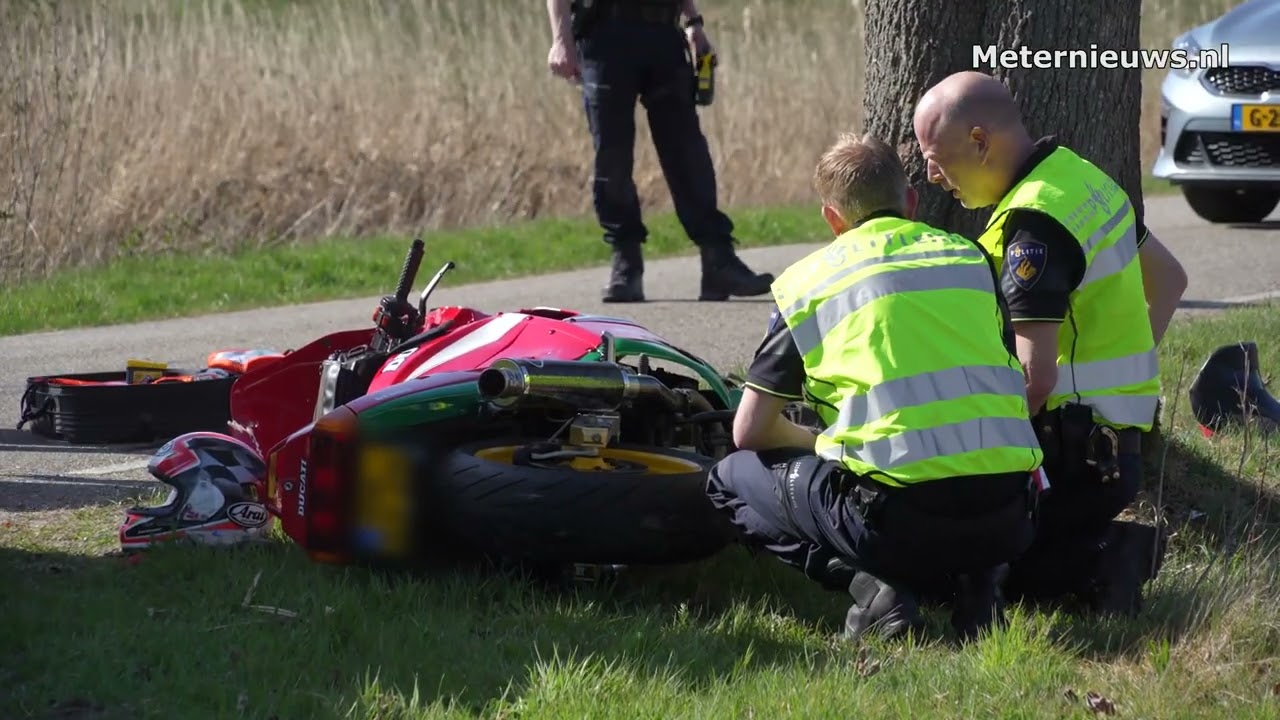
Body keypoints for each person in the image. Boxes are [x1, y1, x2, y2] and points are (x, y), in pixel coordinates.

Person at [703, 131, 1047, 643]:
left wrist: (824, 442)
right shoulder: (969, 260)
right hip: (1011, 518)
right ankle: (979, 591)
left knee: (731, 476)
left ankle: (874, 590)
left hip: (897, 524)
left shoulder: (811, 283)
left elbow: (749, 430)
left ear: (831, 219)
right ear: (911, 201)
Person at [912, 71, 1188, 616]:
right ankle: (1096, 551)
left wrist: (965, 446)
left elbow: (1034, 382)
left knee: (943, 574)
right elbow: (1170, 279)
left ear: (979, 141)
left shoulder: (1033, 228)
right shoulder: (1081, 180)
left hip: (1067, 456)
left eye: (936, 156)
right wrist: (1117, 388)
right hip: (1109, 448)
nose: (931, 174)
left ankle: (1104, 558)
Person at [544, 0, 775, 303]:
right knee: (612, 156)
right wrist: (561, 40)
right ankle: (626, 265)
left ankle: (718, 260)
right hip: (604, 36)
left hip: (663, 34)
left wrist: (694, 24)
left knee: (687, 152)